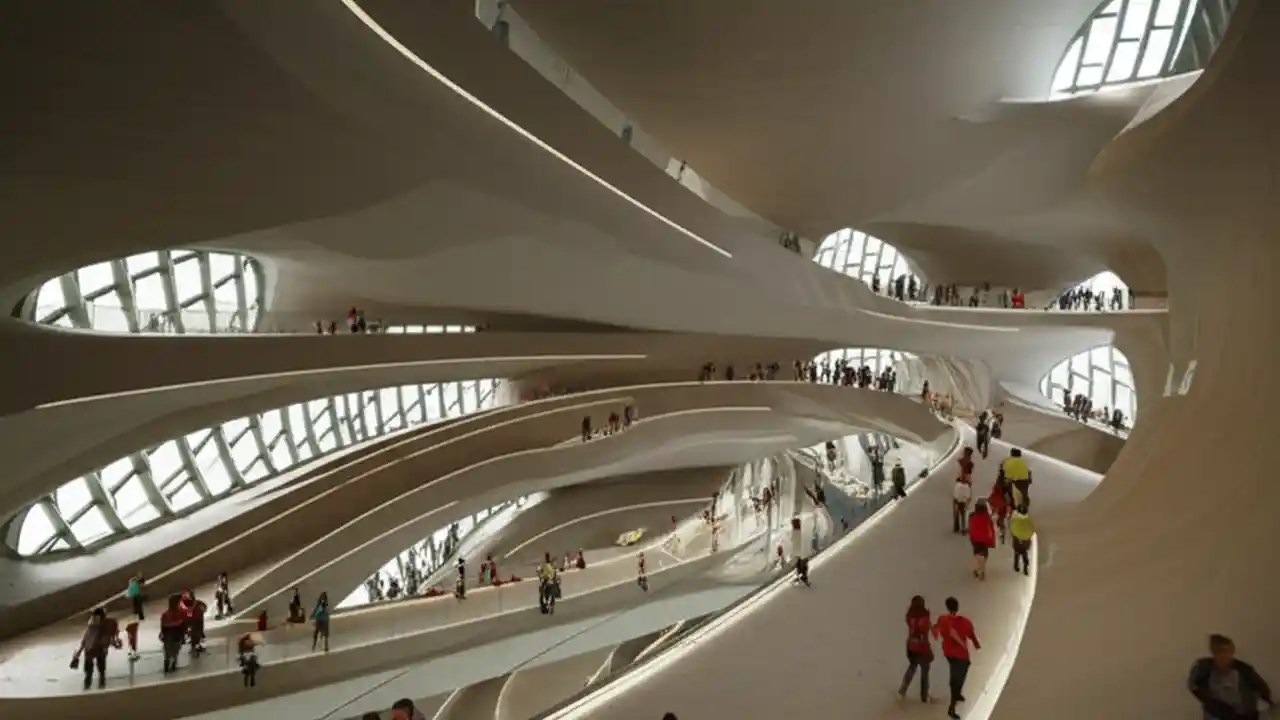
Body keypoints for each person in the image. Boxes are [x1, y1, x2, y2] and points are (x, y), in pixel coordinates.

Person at [1188, 634, 1273, 720]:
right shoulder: (1204, 669)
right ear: (1213, 652)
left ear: (1232, 652)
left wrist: (1269, 702)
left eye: (1226, 652)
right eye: (1219, 652)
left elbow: (1263, 689)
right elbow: (1194, 686)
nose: (1223, 656)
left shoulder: (1244, 670)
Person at [933, 597, 981, 719]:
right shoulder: (965, 622)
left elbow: (936, 631)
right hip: (961, 654)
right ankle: (952, 706)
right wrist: (976, 645)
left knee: (955, 672)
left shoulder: (942, 619)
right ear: (957, 607)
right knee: (960, 675)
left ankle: (956, 691)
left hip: (948, 652)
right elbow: (971, 635)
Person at [72, 608, 120, 690]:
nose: (95, 619)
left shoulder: (109, 624)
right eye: (94, 617)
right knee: (90, 671)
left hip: (100, 649)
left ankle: (98, 686)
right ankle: (89, 687)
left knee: (100, 670)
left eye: (97, 617)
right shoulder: (92, 625)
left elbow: (111, 637)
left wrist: (115, 643)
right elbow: (86, 639)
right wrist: (78, 653)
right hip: (91, 649)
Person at [898, 595, 934, 704]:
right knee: (924, 672)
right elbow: (922, 632)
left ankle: (903, 689)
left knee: (912, 667)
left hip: (910, 646)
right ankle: (924, 696)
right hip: (921, 647)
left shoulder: (910, 616)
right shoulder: (924, 617)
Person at [968, 500, 996, 580]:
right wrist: (993, 541)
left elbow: (970, 527)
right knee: (984, 556)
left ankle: (977, 569)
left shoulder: (972, 516)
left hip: (975, 538)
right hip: (985, 538)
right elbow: (992, 529)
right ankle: (982, 570)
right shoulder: (987, 517)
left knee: (977, 554)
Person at [160, 594, 186, 673]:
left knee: (170, 651)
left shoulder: (166, 614)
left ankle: (170, 661)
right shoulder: (176, 614)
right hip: (174, 635)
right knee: (173, 650)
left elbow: (163, 626)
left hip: (170, 636)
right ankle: (172, 661)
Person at [1010, 504, 1034, 575]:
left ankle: (1016, 566)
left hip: (1017, 539)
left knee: (1017, 553)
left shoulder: (1015, 520)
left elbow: (1012, 529)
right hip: (1025, 540)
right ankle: (1026, 565)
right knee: (1024, 552)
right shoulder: (1029, 521)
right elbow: (1031, 530)